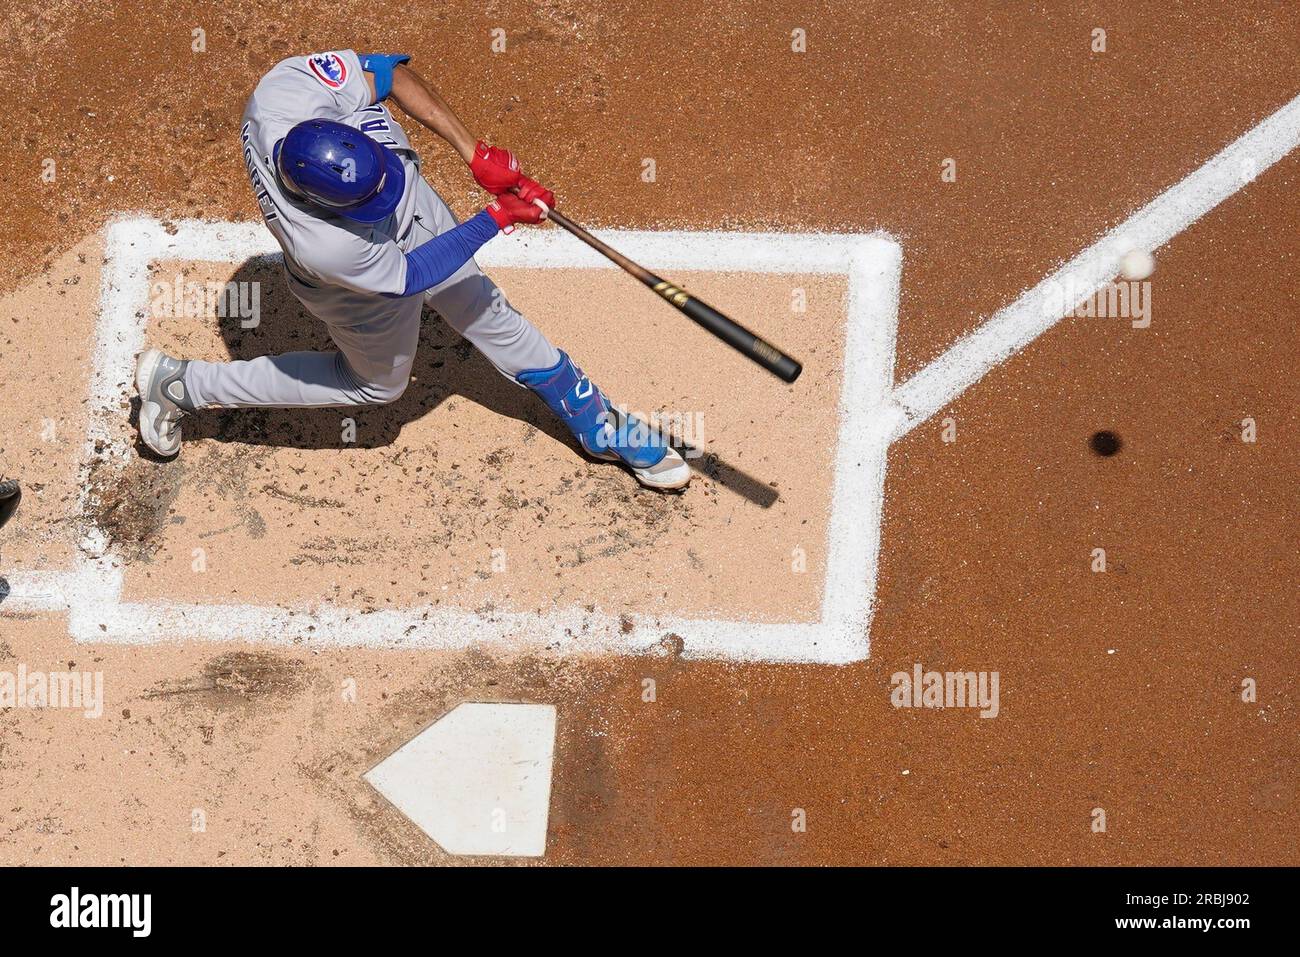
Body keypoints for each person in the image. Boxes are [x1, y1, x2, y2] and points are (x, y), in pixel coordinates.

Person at [135, 50, 689, 491]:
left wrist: (475, 153)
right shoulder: (324, 246)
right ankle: (182, 384)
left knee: (483, 308)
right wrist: (498, 217)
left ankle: (596, 422)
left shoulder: (284, 92)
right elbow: (411, 274)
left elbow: (385, 71)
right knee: (374, 386)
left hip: (391, 223)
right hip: (357, 291)